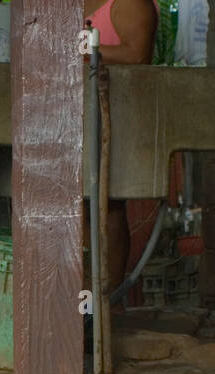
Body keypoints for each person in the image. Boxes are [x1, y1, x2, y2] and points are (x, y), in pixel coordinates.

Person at [83, 0, 158, 307]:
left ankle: (104, 305)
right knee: (81, 208)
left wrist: (83, 54)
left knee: (108, 205)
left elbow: (137, 53)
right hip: (82, 117)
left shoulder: (129, 3)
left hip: (117, 118)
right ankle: (83, 307)